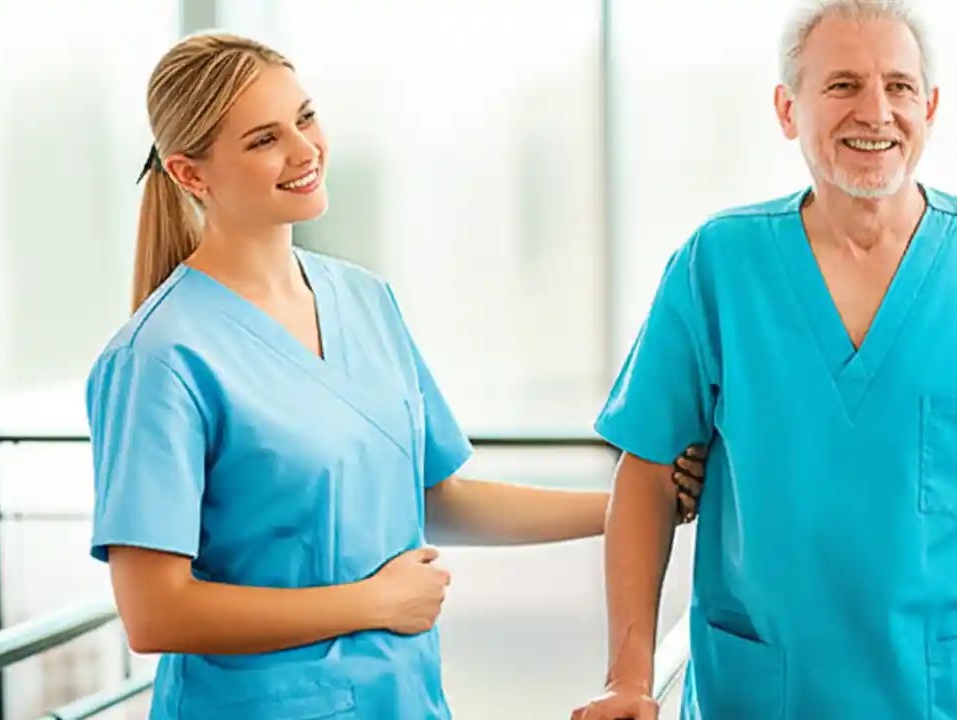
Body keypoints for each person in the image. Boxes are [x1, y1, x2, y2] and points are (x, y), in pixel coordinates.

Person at [84, 32, 707, 720]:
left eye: (305, 116)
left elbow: (439, 498)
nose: (304, 150)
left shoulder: (365, 301)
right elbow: (154, 614)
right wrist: (372, 602)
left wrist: (637, 507)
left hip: (403, 699)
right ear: (191, 174)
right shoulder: (160, 356)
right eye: (263, 140)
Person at [570, 1, 957, 719]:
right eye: (843, 86)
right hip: (759, 692)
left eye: (900, 86)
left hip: (949, 694)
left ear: (930, 108)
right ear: (788, 109)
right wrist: (627, 680)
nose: (875, 112)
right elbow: (647, 474)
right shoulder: (718, 264)